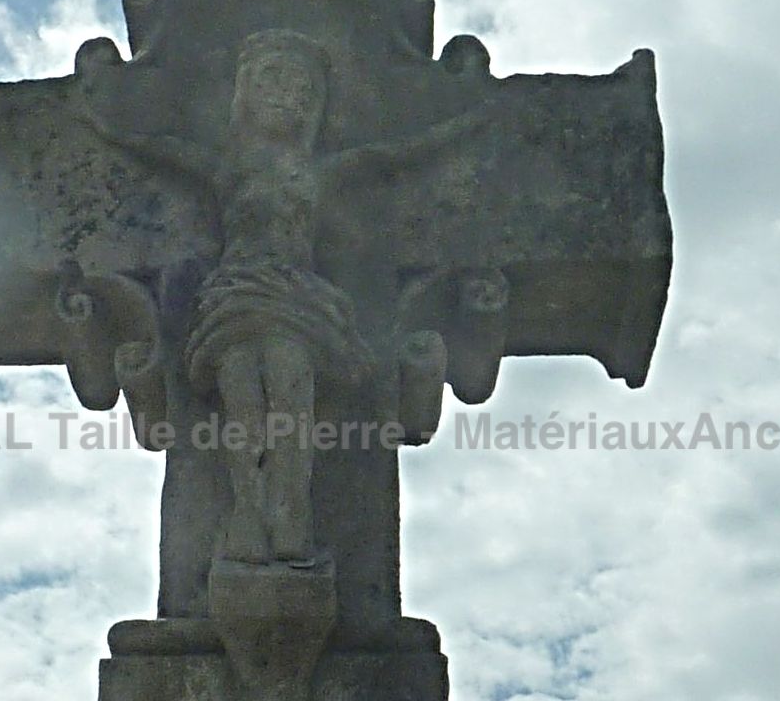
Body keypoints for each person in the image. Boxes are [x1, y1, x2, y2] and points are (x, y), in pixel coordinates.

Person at [79, 29, 490, 565]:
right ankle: (249, 514)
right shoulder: (228, 170)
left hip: (295, 301)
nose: (284, 94)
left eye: (298, 85)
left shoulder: (321, 172)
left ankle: (289, 513)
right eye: (269, 80)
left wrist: (468, 122)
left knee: (291, 400)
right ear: (244, 97)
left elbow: (399, 156)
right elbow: (156, 150)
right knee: (243, 405)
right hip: (234, 296)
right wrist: (99, 122)